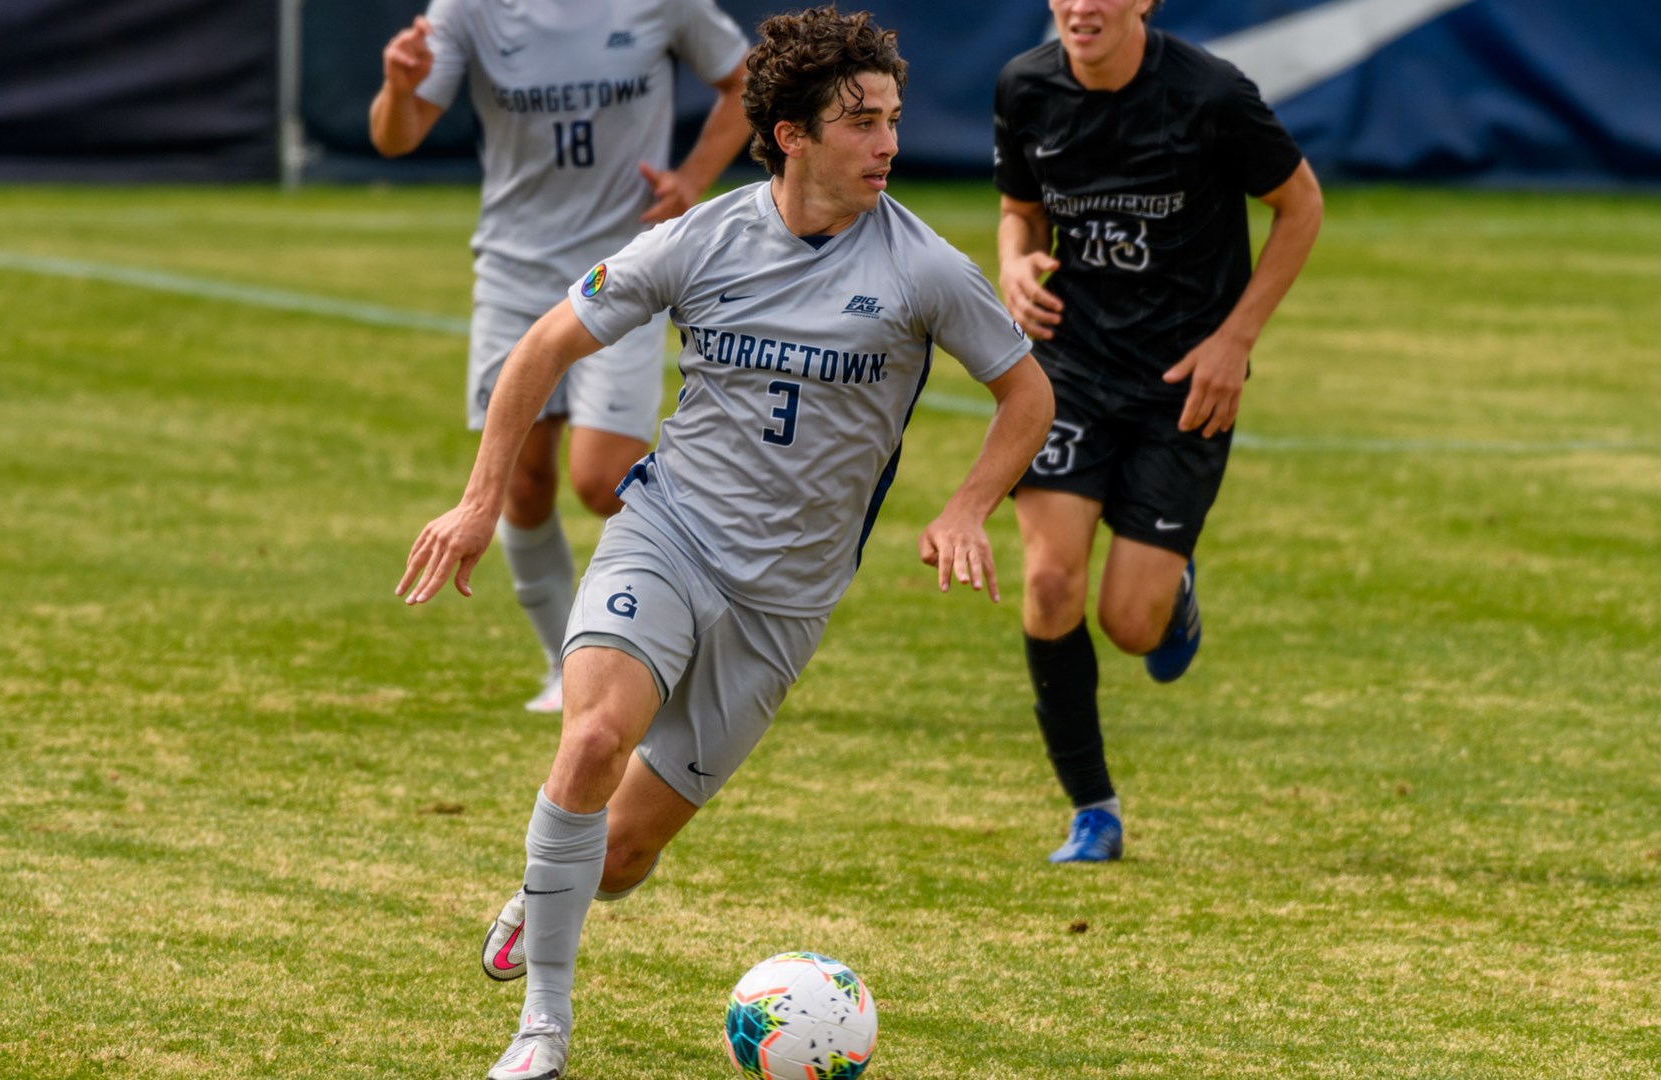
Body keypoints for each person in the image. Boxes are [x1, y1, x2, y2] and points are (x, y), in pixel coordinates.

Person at [397, 8, 1054, 1075]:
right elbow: (542, 347)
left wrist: (965, 507)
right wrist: (476, 502)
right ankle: (543, 1031)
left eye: (890, 119)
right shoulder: (697, 238)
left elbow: (1024, 394)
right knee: (591, 742)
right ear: (792, 133)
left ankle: (540, 889)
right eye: (859, 122)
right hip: (668, 534)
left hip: (784, 603)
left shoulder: (924, 269)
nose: (886, 141)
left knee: (620, 856)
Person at [993, 0, 1323, 862]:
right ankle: (1091, 808)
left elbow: (1301, 207)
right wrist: (1014, 260)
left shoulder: (1210, 93)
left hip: (1184, 380)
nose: (1082, 6)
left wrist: (1234, 339)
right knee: (1050, 584)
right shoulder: (1025, 86)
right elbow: (1019, 209)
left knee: (1130, 625)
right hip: (1066, 371)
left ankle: (1168, 592)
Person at [371, 0, 753, 713]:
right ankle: (564, 667)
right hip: (515, 274)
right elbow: (397, 138)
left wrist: (693, 179)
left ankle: (702, 613)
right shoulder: (468, 12)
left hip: (626, 267)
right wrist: (398, 86)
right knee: (519, 481)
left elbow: (745, 80)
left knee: (602, 478)